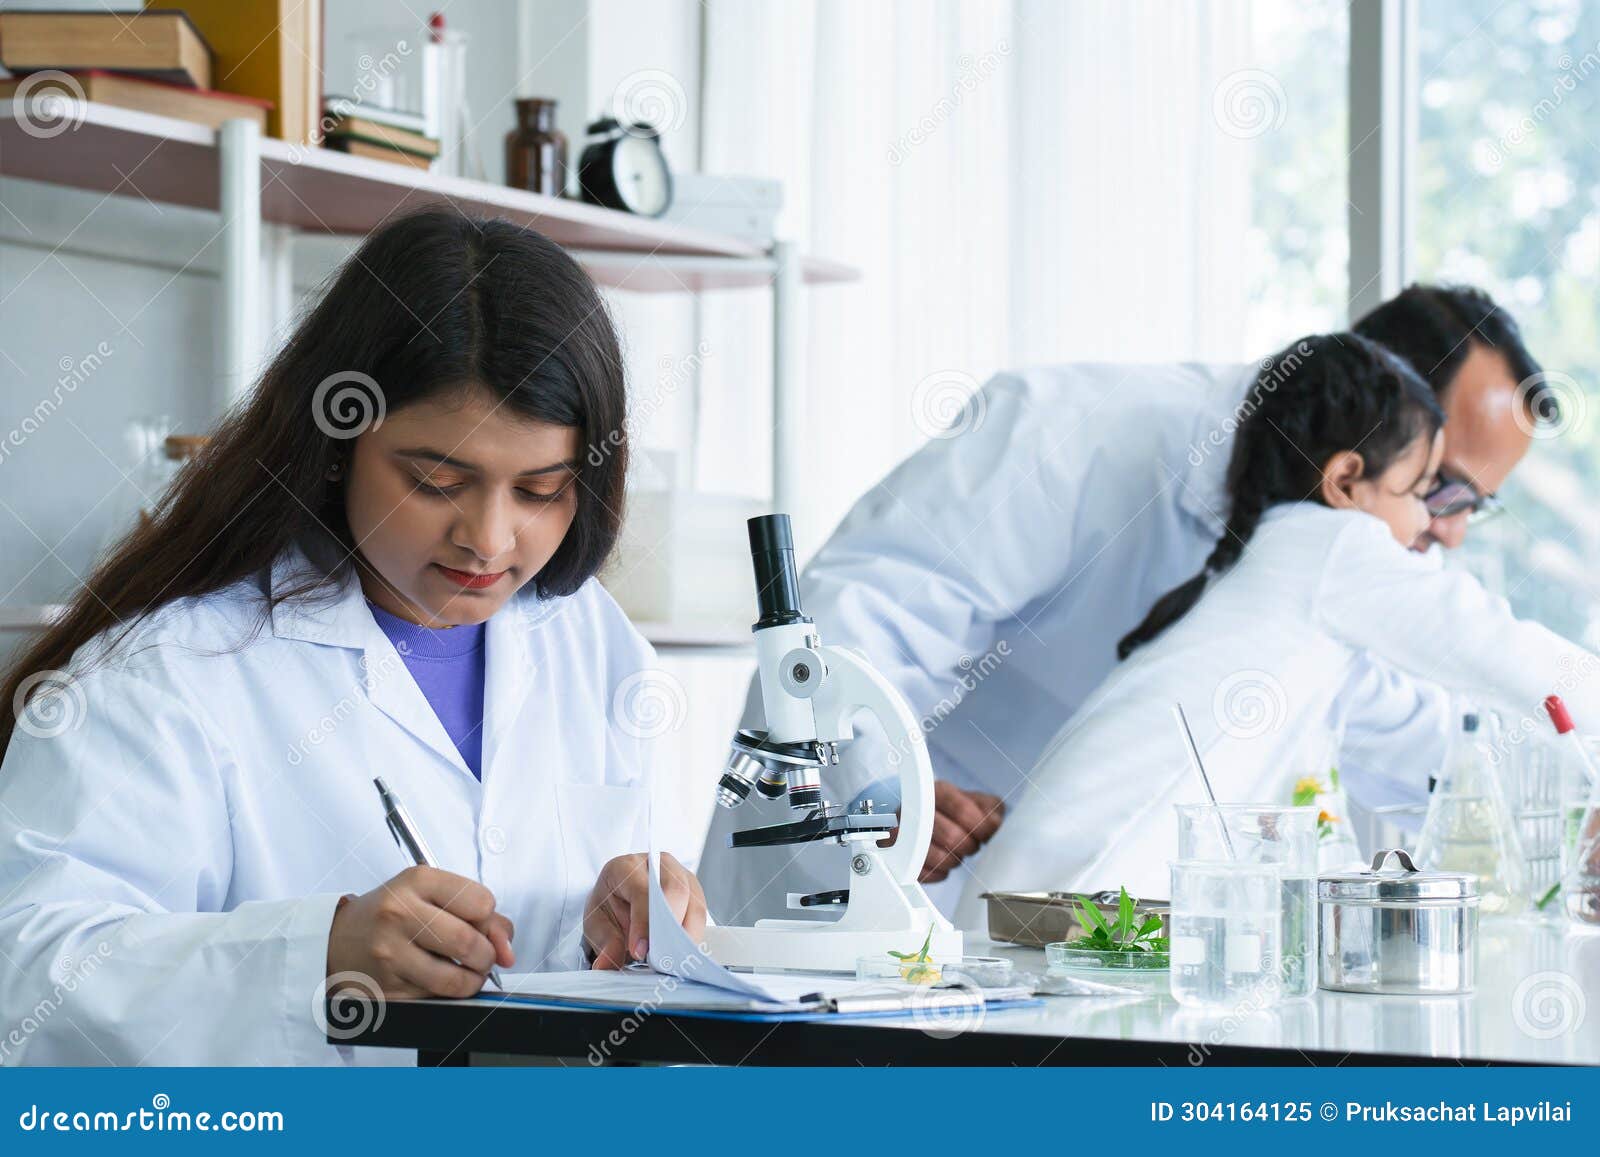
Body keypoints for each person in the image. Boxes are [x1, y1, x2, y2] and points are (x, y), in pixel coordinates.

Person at [0, 209, 706, 1066]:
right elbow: (31, 979)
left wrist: (631, 913)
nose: (488, 539)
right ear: (338, 441)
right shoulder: (167, 676)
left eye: (539, 490)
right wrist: (316, 957)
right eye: (437, 480)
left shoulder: (590, 637)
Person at [699, 285, 1551, 924]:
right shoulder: (1080, 431)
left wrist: (1558, 811)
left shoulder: (1337, 553)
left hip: (1051, 947)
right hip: (857, 891)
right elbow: (853, 625)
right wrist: (877, 785)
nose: (1452, 535)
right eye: (1443, 491)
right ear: (1363, 432)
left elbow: (1426, 733)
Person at [952, 333, 1599, 921]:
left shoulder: (1274, 591)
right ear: (1346, 481)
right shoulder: (1333, 547)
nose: (1430, 526)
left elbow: (1356, 793)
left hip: (1031, 916)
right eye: (1421, 491)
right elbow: (1503, 650)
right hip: (1073, 915)